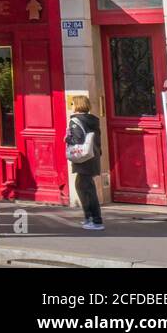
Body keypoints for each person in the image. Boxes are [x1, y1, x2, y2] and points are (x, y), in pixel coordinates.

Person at [66, 95, 104, 231]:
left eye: (72, 103)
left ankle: (96, 220)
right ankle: (89, 217)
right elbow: (97, 141)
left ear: (77, 105)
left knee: (87, 189)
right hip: (92, 157)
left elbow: (76, 139)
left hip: (83, 159)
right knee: (83, 186)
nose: (71, 106)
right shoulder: (93, 120)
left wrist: (67, 139)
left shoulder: (75, 121)